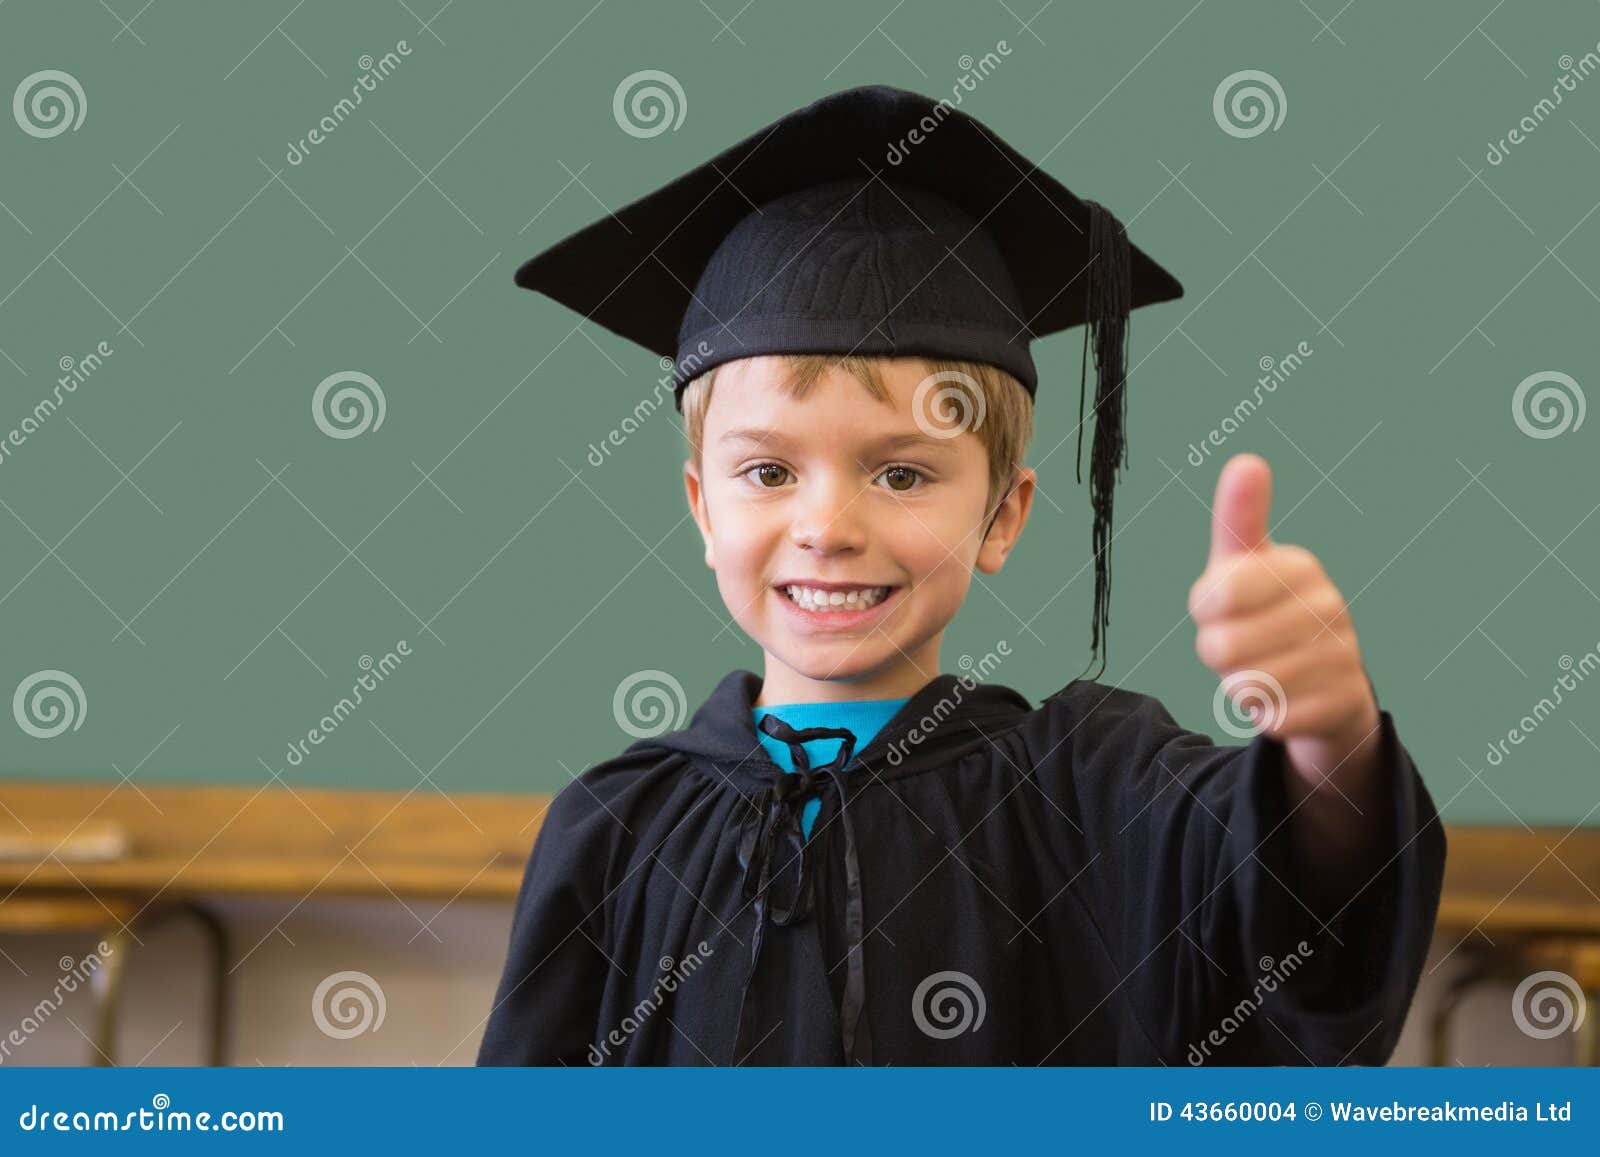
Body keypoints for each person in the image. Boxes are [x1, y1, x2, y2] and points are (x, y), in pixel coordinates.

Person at [476, 85, 1446, 1066]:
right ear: (701, 507)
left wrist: (1330, 738)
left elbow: (1302, 911)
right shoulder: (615, 827)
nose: (826, 527)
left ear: (1001, 514)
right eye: (768, 471)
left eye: (901, 472)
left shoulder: (1092, 787)